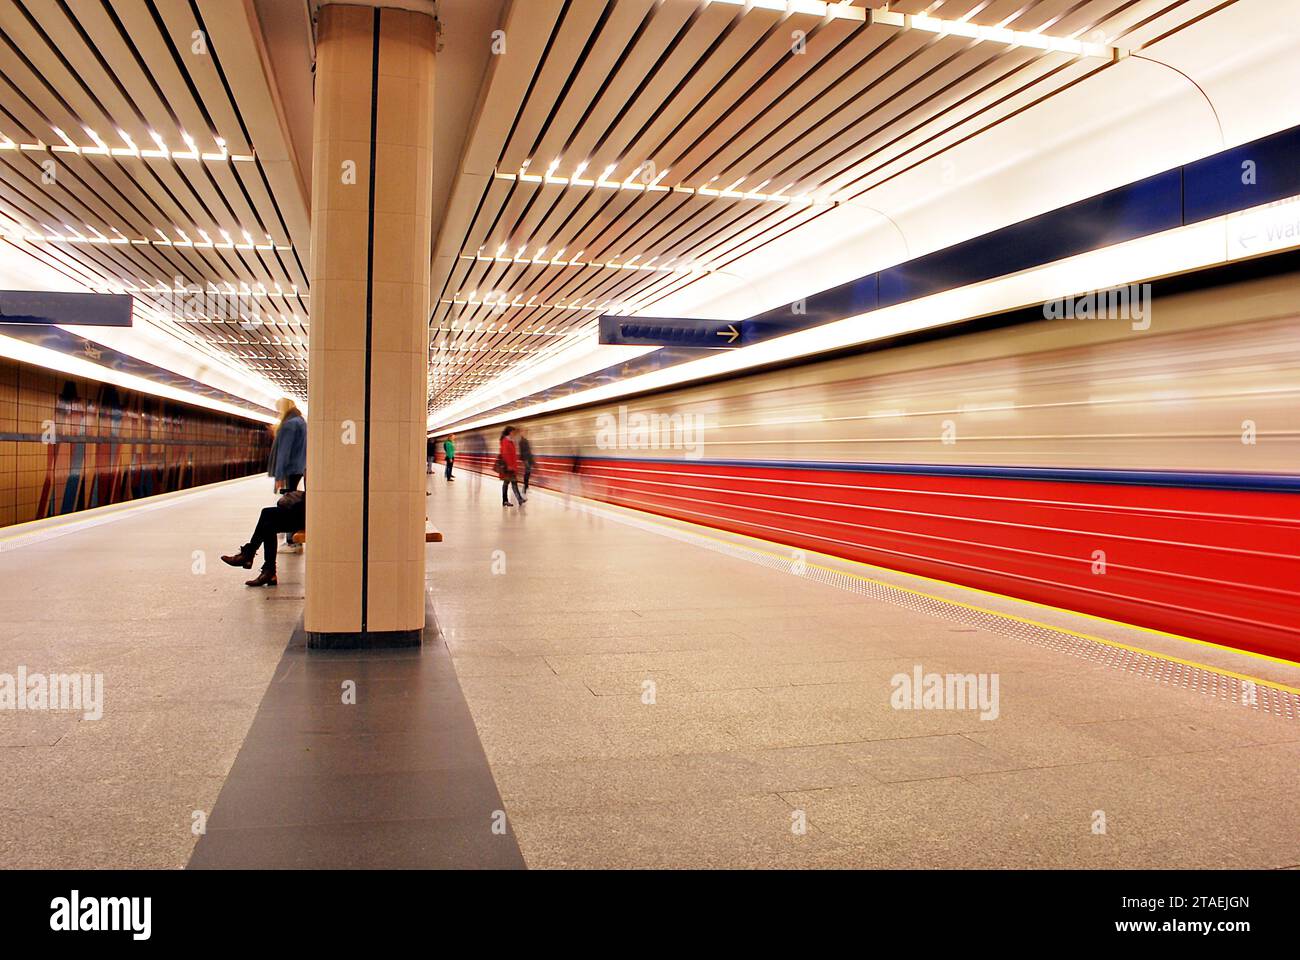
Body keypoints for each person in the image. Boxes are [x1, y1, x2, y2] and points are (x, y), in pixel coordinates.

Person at [221, 489, 305, 587]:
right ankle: (266, 570)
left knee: (267, 517)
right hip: (306, 510)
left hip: (307, 513)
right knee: (268, 520)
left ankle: (250, 557)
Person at [269, 399, 306, 552]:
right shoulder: (301, 421)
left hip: (290, 469)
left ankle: (292, 541)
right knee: (293, 501)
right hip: (299, 467)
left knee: (288, 503)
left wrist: (279, 475)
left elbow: (284, 451)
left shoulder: (290, 424)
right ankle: (293, 540)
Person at [497, 426, 525, 507]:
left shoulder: (509, 441)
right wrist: (509, 465)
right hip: (508, 467)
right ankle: (516, 499)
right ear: (510, 432)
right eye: (513, 432)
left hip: (511, 466)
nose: (514, 434)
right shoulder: (506, 441)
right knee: (511, 483)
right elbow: (505, 454)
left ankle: (510, 500)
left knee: (509, 483)